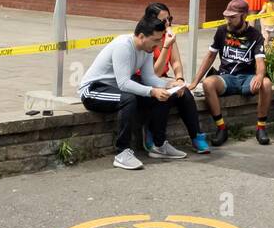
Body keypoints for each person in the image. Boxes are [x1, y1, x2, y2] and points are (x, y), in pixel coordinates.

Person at [79, 9, 192, 170]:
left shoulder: (146, 49)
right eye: (155, 40)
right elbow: (124, 83)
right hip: (93, 91)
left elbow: (148, 78)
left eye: (160, 40)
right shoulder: (123, 46)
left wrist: (169, 85)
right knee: (129, 98)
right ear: (141, 36)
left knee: (165, 95)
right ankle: (122, 153)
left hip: (115, 89)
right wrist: (153, 91)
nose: (158, 45)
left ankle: (159, 146)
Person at [189, 0, 273, 146]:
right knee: (208, 83)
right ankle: (222, 128)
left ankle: (261, 128)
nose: (228, 20)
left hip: (247, 78)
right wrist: (195, 82)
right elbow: (210, 56)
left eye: (232, 17)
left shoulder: (255, 35)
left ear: (245, 15)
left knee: (266, 84)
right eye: (227, 16)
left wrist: (259, 76)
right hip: (226, 78)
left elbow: (260, 62)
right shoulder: (221, 31)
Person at [139, 2, 211, 156]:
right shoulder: (148, 38)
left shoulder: (167, 36)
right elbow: (154, 73)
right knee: (166, 96)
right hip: (145, 80)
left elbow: (176, 61)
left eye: (169, 19)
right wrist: (165, 46)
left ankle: (196, 135)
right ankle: (154, 136)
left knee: (184, 93)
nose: (168, 24)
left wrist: (179, 78)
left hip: (162, 79)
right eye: (163, 21)